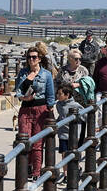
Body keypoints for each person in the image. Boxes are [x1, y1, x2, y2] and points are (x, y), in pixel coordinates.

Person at [15, 47, 55, 179]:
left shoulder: (46, 74)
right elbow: (18, 91)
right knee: (24, 140)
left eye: (34, 57)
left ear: (39, 59)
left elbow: (50, 95)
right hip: (25, 109)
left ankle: (36, 172)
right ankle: (27, 167)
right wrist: (23, 98)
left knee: (38, 143)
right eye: (29, 57)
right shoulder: (23, 72)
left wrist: (50, 110)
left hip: (40, 110)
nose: (31, 59)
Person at [54, 83, 79, 154]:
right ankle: (64, 165)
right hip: (62, 134)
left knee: (73, 154)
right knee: (64, 154)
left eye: (60, 94)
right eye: (57, 93)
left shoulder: (75, 105)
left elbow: (85, 117)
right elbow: (61, 115)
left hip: (73, 135)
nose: (57, 95)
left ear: (67, 95)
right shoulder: (58, 104)